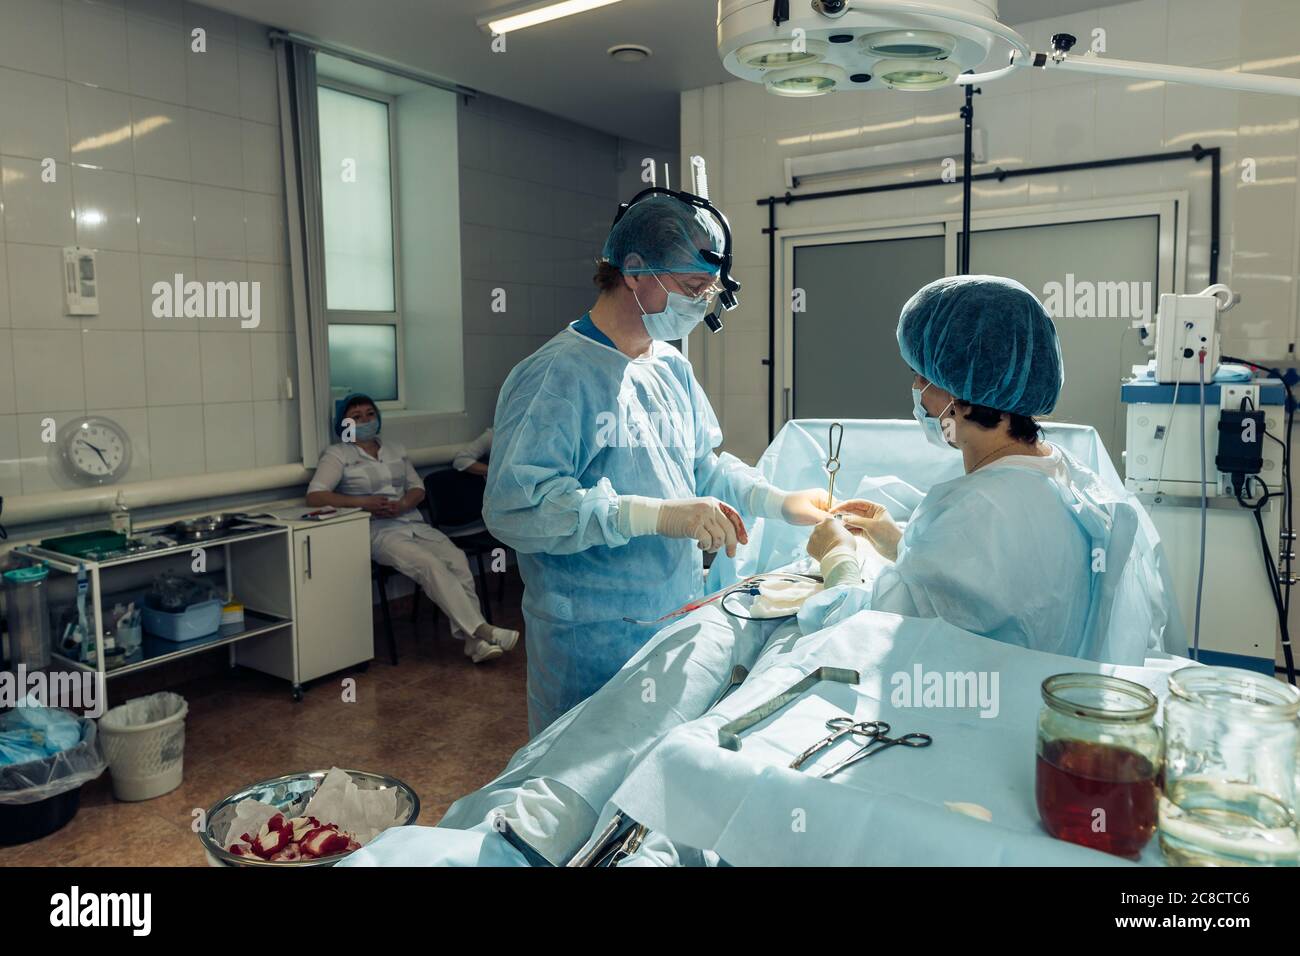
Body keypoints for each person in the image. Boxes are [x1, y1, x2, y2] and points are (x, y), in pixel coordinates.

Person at [485, 194, 832, 735]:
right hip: (591, 636)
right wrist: (653, 515)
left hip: (671, 614)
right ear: (635, 271)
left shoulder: (668, 366)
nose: (701, 303)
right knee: (583, 790)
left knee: (654, 777)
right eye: (693, 289)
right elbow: (518, 509)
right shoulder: (557, 375)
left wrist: (778, 501)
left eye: (708, 292)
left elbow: (701, 469)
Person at [803, 275, 1184, 665]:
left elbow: (869, 638)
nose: (916, 389)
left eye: (923, 376)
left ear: (957, 392)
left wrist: (838, 558)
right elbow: (984, 588)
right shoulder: (1068, 475)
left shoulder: (978, 513)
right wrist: (899, 541)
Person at [306, 394, 519, 664]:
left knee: (457, 560)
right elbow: (315, 495)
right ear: (343, 423)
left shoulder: (395, 449)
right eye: (356, 416)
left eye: (370, 414)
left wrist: (404, 502)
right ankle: (482, 631)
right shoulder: (338, 454)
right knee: (429, 565)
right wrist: (363, 503)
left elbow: (417, 487)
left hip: (412, 521)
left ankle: (474, 643)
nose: (365, 420)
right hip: (377, 531)